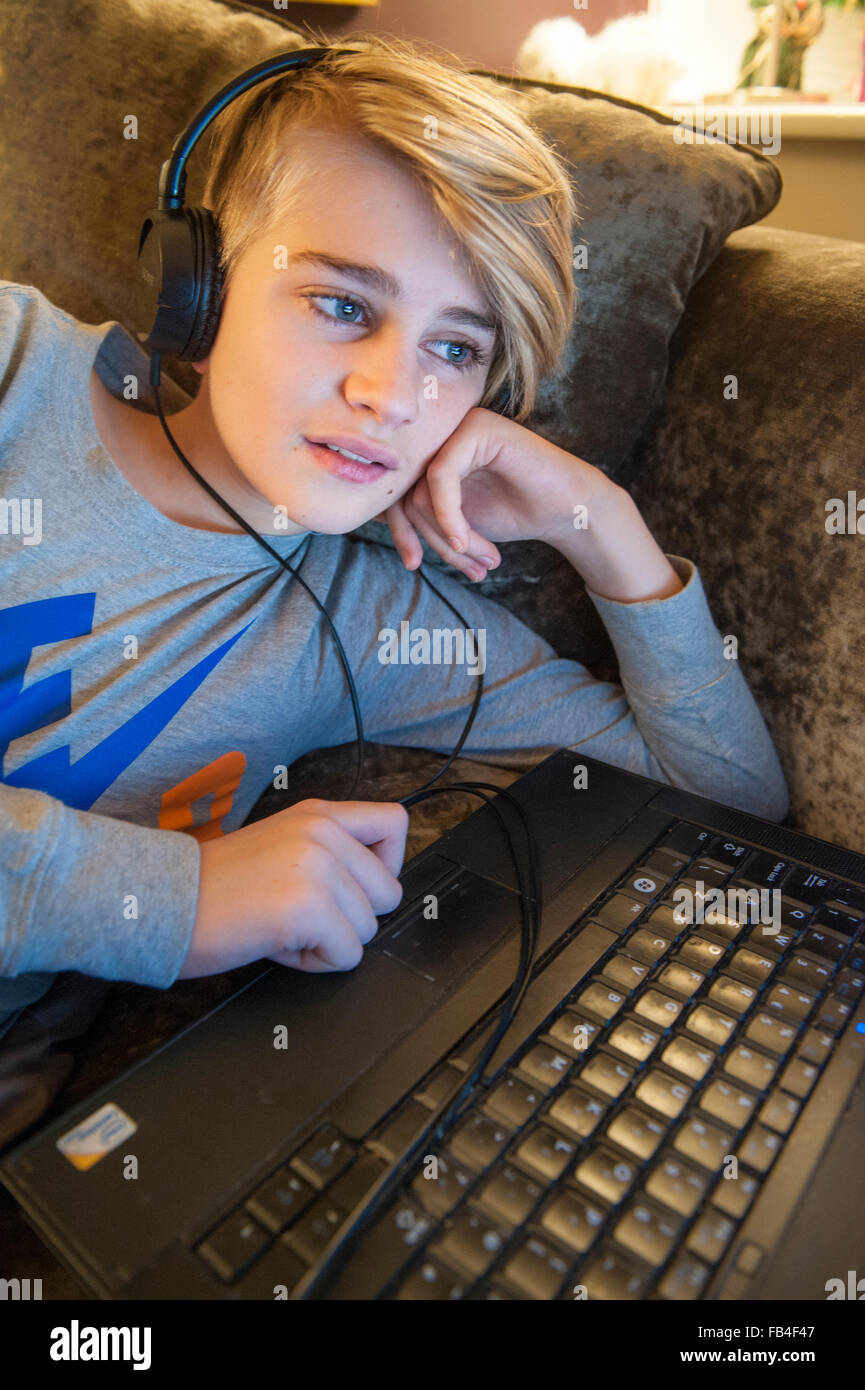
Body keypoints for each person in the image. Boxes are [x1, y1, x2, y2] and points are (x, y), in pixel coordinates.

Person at [0, 33, 788, 1147]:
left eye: (456, 350)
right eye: (340, 304)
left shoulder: (369, 623)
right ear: (201, 284)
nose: (391, 393)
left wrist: (601, 525)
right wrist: (180, 899)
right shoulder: (12, 370)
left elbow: (721, 802)